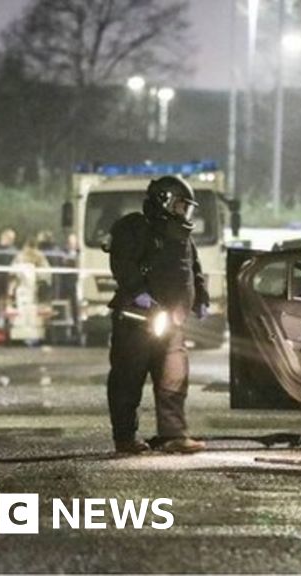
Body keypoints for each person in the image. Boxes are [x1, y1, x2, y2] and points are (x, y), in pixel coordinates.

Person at [105, 175, 209, 455]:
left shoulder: (183, 237)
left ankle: (174, 435)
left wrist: (200, 298)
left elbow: (193, 270)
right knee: (127, 380)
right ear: (163, 200)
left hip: (172, 323)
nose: (183, 212)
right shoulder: (134, 228)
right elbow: (122, 262)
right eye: (179, 205)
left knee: (174, 380)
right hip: (136, 321)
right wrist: (138, 292)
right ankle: (125, 438)